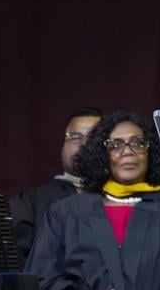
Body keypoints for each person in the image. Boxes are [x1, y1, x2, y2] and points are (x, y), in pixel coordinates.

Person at [26, 110, 160, 290]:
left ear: (151, 153)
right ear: (102, 155)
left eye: (138, 143)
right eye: (115, 145)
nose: (128, 152)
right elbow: (43, 283)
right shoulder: (68, 212)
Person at [10, 106, 103, 261]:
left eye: (94, 137)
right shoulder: (28, 204)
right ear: (62, 150)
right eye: (75, 136)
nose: (84, 143)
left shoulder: (130, 201)